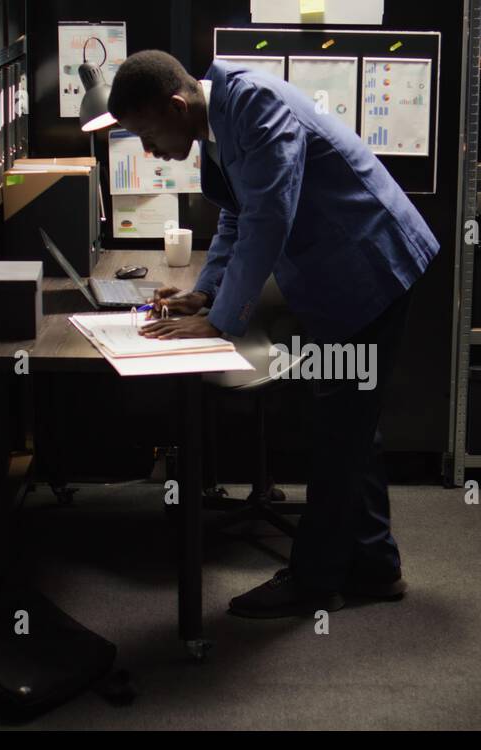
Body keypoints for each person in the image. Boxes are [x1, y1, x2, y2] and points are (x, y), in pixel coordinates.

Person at [105, 50, 440, 618]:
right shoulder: (223, 116)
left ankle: (315, 581)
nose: (149, 151)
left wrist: (221, 321)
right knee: (353, 428)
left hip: (371, 266)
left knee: (341, 431)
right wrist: (209, 293)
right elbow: (239, 214)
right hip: (342, 269)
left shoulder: (254, 106)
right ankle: (375, 566)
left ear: (175, 104)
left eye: (146, 133)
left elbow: (269, 217)